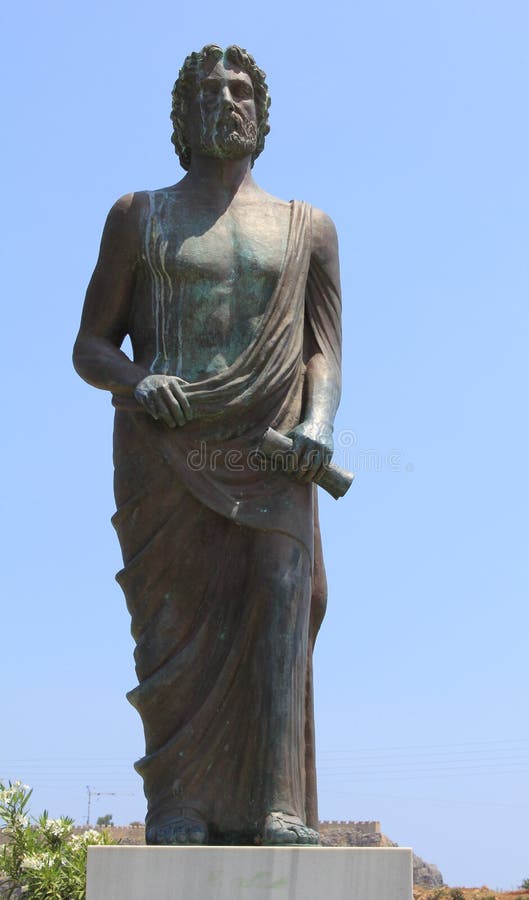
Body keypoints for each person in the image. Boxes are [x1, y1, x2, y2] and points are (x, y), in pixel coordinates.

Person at [73, 44, 342, 847]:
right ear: (182, 116)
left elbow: (322, 352)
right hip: (167, 453)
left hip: (273, 454)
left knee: (279, 613)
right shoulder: (138, 217)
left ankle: (279, 804)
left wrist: (317, 426)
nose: (226, 100)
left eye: (240, 89)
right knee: (177, 624)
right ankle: (179, 804)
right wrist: (135, 381)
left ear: (261, 113)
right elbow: (90, 345)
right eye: (208, 90)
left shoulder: (309, 229)